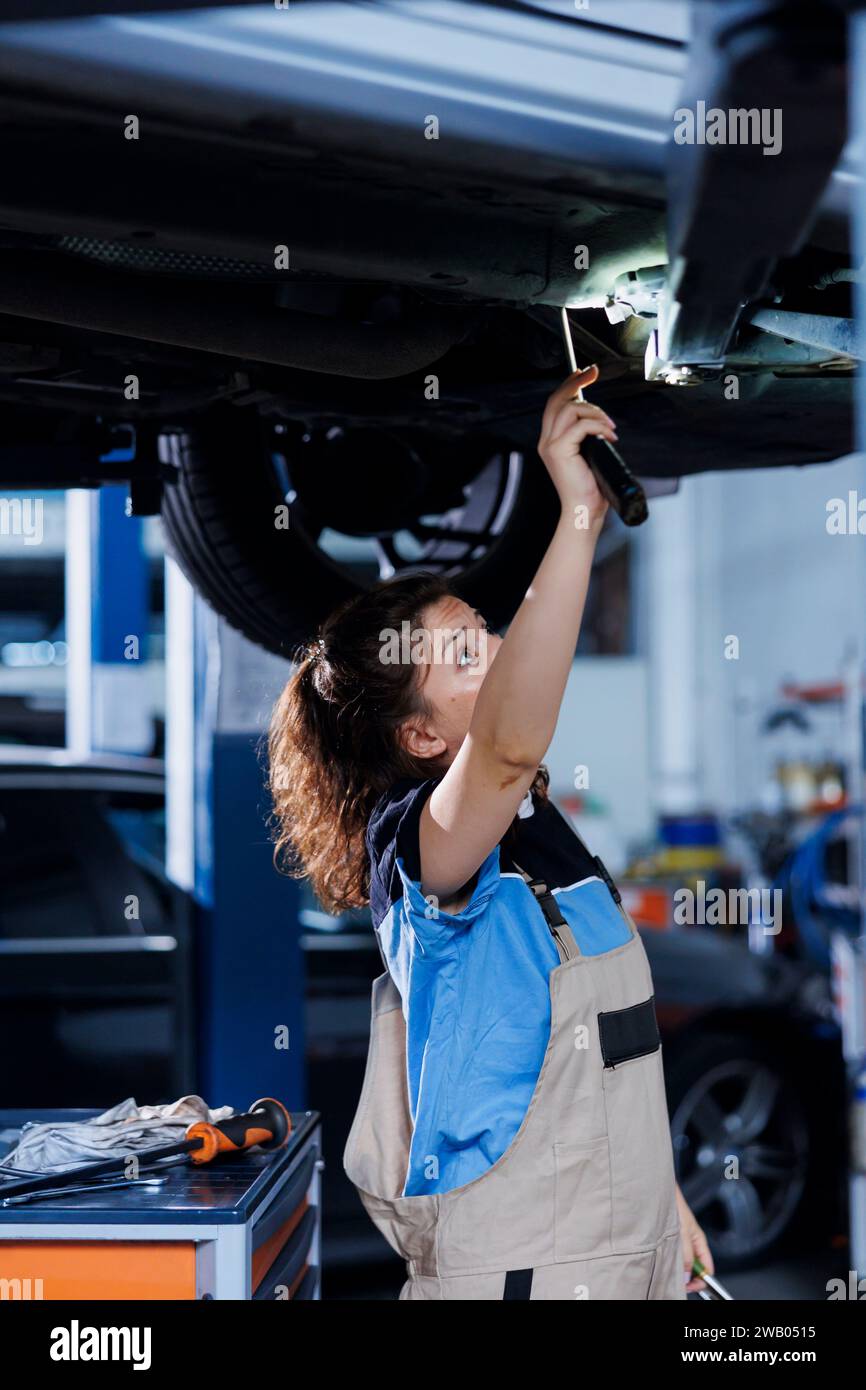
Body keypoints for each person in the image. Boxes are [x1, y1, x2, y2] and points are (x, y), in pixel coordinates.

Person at [269, 365, 714, 1300]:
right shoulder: (416, 855)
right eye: (466, 656)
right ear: (422, 736)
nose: (501, 651)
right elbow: (509, 746)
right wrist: (577, 513)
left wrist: (665, 1202)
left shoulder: (540, 834)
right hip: (527, 1271)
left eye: (485, 630)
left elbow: (606, 1057)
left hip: (630, 1246)